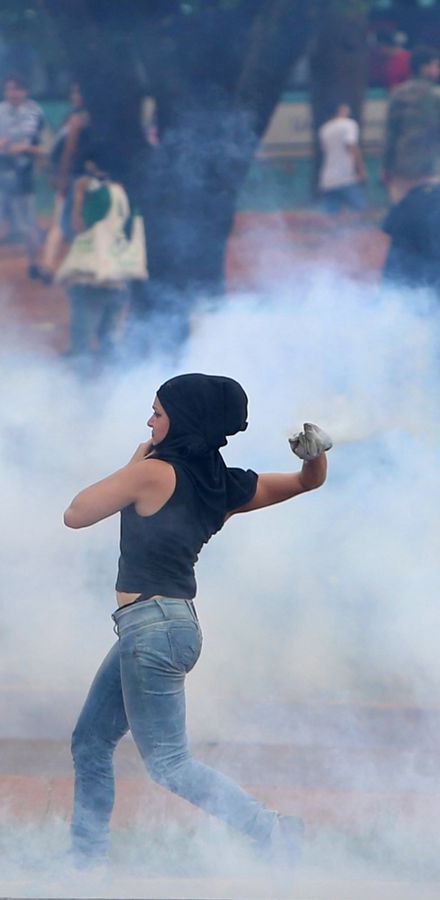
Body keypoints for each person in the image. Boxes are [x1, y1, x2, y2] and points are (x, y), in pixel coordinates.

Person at [63, 374, 331, 867]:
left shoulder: (153, 473)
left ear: (182, 420)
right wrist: (315, 452)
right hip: (163, 625)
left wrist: (133, 463)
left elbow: (76, 514)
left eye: (158, 413)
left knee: (169, 763)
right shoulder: (224, 484)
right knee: (91, 741)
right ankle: (84, 863)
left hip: (153, 628)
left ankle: (273, 831)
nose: (149, 421)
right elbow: (306, 481)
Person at [57, 153, 140, 372]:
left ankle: (80, 394)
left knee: (81, 346)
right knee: (110, 343)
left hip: (91, 279)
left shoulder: (102, 195)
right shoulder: (126, 194)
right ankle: (112, 392)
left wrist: (79, 194)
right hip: (118, 276)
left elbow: (78, 226)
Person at [0, 75, 47, 284]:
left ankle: (34, 264)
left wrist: (26, 149)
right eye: (9, 90)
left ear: (25, 91)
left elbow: (43, 148)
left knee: (28, 225)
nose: (13, 94)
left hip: (23, 176)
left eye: (18, 89)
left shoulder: (35, 113)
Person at [41, 83, 90, 277]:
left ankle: (59, 265)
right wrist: (60, 175)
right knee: (65, 222)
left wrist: (62, 174)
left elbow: (68, 150)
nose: (74, 96)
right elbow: (64, 150)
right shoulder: (73, 118)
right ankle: (49, 265)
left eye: (79, 93)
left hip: (76, 175)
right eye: (73, 92)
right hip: (72, 176)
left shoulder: (80, 118)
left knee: (71, 223)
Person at [383, 46, 440, 205]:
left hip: (402, 166)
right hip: (430, 168)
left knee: (404, 213)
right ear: (424, 68)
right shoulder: (435, 96)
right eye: (436, 66)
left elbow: (391, 133)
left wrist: (386, 166)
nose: (438, 70)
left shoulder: (398, 94)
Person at [381, 173, 440, 296]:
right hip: (421, 280)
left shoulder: (412, 197)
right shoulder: (424, 198)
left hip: (400, 281)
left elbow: (388, 226)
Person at [318, 102, 367, 219]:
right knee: (362, 214)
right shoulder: (349, 124)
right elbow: (352, 146)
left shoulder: (324, 129)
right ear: (342, 111)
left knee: (332, 219)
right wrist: (361, 171)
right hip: (345, 177)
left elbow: (325, 150)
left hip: (327, 179)